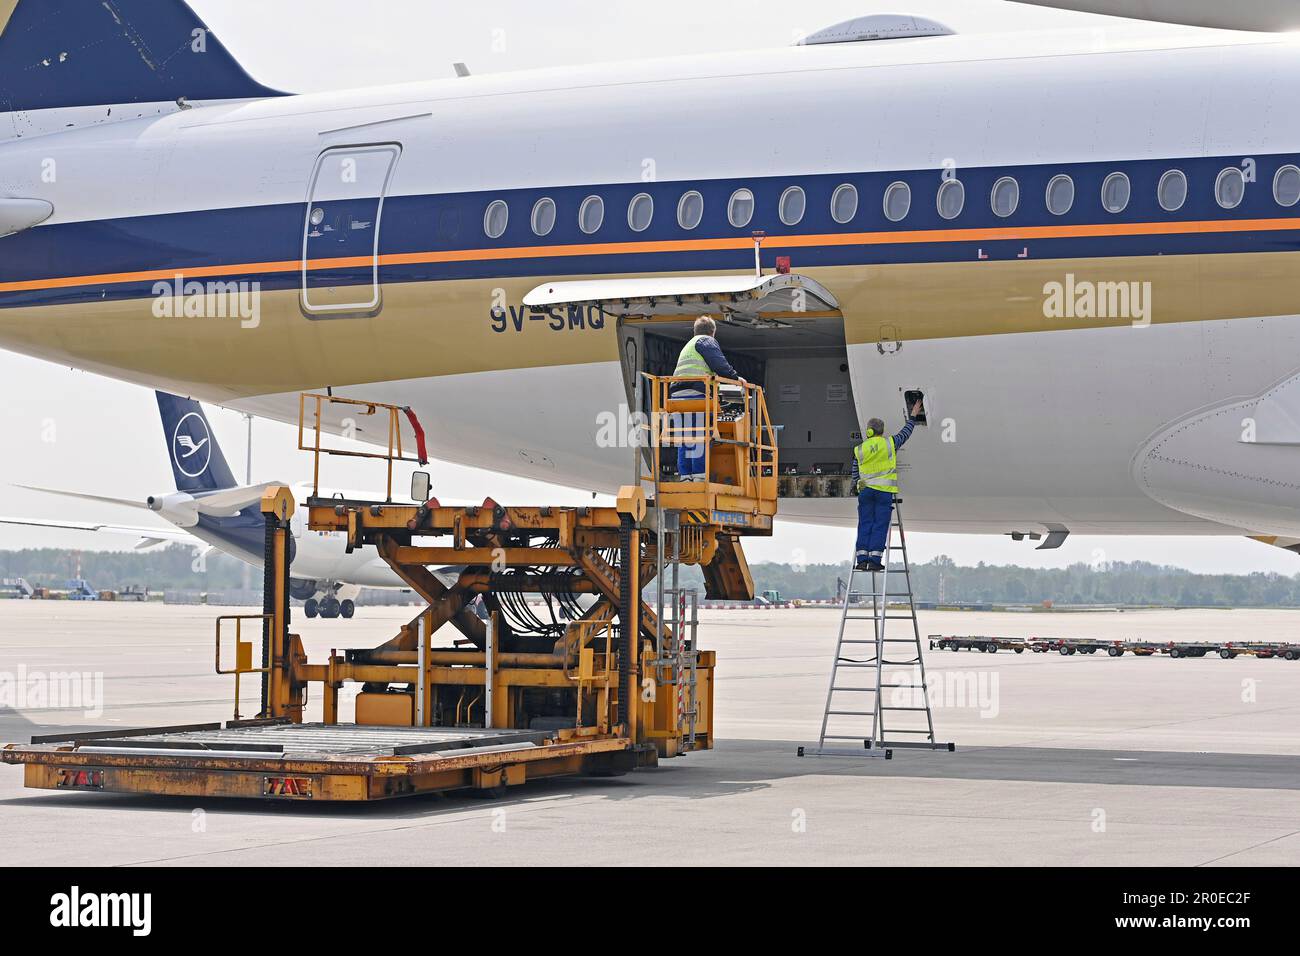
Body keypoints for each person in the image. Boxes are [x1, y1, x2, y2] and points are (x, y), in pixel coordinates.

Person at [671, 316, 745, 481]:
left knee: (684, 437)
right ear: (713, 332)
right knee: (700, 434)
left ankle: (685, 476)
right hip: (695, 394)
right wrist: (736, 379)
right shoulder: (706, 341)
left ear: (695, 330)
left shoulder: (688, 346)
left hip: (676, 396)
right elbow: (719, 365)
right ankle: (699, 476)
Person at [853, 400, 924, 572]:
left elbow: (855, 471)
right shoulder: (890, 443)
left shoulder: (859, 449)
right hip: (883, 492)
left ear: (869, 431)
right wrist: (913, 415)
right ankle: (875, 560)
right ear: (882, 431)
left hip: (866, 492)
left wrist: (858, 486)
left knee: (865, 523)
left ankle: (862, 559)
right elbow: (905, 434)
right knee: (880, 524)